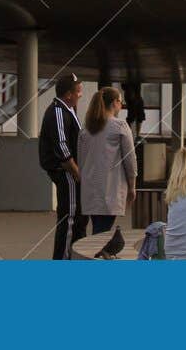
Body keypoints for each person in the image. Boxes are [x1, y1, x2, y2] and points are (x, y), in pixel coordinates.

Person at [79, 85, 137, 257]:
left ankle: (100, 256)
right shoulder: (119, 126)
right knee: (101, 235)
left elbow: (81, 160)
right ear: (114, 103)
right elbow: (130, 159)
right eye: (121, 101)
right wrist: (132, 186)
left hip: (90, 188)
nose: (122, 105)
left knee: (99, 230)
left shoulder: (86, 128)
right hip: (110, 189)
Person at [38, 72, 84, 260]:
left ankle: (73, 257)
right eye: (78, 92)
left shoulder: (67, 109)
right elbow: (62, 147)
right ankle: (63, 260)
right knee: (70, 219)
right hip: (66, 173)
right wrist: (77, 172)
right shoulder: (58, 111)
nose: (80, 95)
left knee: (77, 217)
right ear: (68, 94)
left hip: (68, 172)